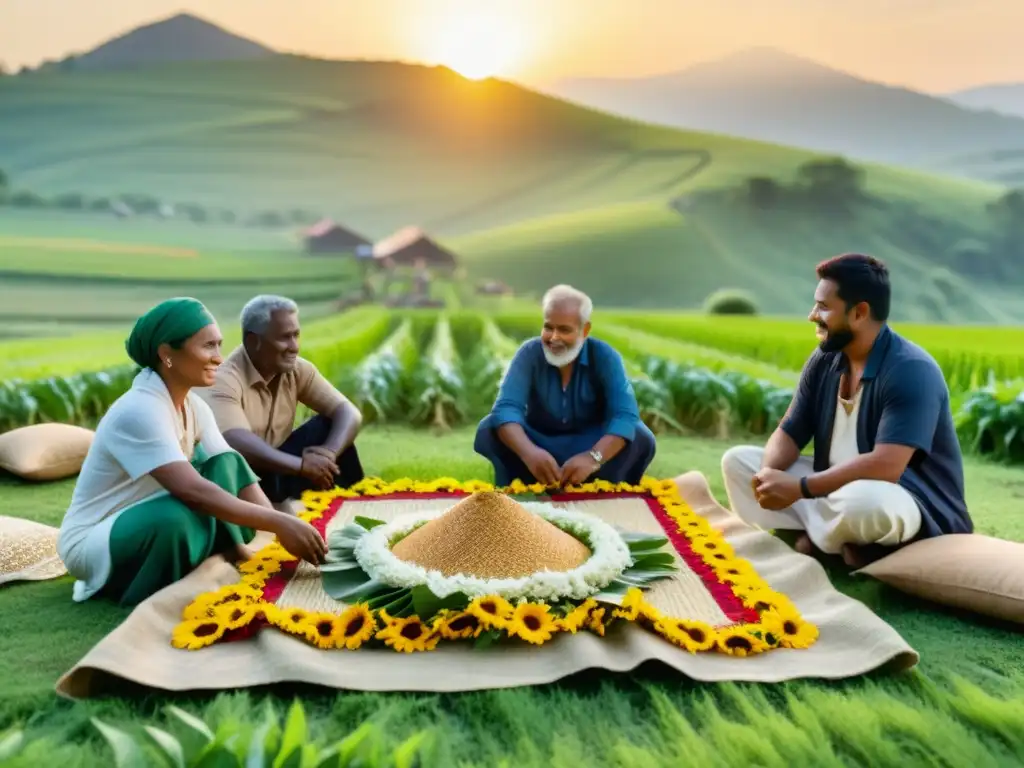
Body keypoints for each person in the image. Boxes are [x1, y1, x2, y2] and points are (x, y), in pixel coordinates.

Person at [56, 298, 327, 607]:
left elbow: (234, 471)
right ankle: (142, 587)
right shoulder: (140, 409)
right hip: (96, 539)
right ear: (166, 354)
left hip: (157, 512)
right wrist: (281, 524)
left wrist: (283, 527)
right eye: (208, 347)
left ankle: (221, 553)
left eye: (219, 346)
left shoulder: (194, 405)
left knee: (224, 463)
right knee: (178, 517)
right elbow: (194, 492)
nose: (219, 358)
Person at [720, 253, 972, 568]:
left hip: (903, 496)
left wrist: (800, 488)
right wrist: (768, 476)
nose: (812, 315)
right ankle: (837, 541)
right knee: (738, 462)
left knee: (865, 504)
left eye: (824, 307)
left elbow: (887, 466)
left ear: (859, 312)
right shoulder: (825, 358)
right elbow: (789, 430)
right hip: (829, 487)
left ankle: (819, 539)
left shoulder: (912, 369)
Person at [473, 284, 656, 487]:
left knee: (640, 435)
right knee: (490, 426)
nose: (554, 338)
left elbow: (625, 415)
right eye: (548, 327)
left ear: (584, 330)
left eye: (564, 330)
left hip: (592, 443)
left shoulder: (605, 356)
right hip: (540, 441)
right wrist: (530, 453)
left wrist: (592, 458)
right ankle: (521, 483)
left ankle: (608, 486)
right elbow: (506, 407)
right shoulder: (529, 353)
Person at [199, 295, 365, 505]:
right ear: (253, 341)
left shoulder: (297, 369)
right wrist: (301, 465)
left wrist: (329, 453)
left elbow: (348, 412)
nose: (294, 346)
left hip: (279, 468)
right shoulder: (225, 378)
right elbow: (234, 440)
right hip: (239, 479)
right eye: (284, 337)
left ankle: (347, 508)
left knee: (329, 427)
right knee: (238, 460)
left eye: (296, 335)